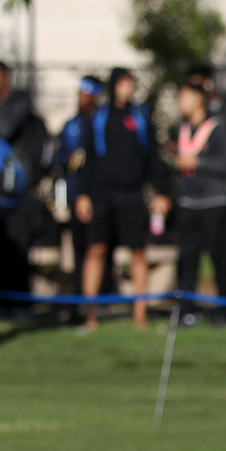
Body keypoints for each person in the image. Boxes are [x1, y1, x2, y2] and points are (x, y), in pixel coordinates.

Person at [75, 67, 170, 331]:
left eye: (131, 84)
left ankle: (140, 313)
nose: (128, 89)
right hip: (102, 196)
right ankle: (90, 315)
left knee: (138, 252)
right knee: (96, 250)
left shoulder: (141, 116)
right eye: (123, 84)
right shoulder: (98, 118)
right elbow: (88, 160)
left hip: (132, 196)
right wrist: (83, 194)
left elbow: (154, 157)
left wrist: (161, 192)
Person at [0, 61, 46, 306]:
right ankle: (2, 303)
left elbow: (5, 129)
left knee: (17, 248)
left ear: (4, 78)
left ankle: (20, 303)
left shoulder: (20, 103)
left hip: (20, 189)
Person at [172, 82, 226, 326]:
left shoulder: (218, 128)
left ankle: (224, 310)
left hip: (214, 203)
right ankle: (187, 310)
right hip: (188, 203)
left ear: (198, 99)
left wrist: (198, 162)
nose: (179, 102)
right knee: (187, 260)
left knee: (220, 259)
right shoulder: (179, 129)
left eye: (184, 97)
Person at [53, 75, 101, 300]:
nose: (82, 98)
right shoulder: (71, 125)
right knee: (79, 247)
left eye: (87, 94)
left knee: (99, 246)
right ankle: (80, 298)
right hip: (75, 192)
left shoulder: (102, 122)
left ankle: (100, 296)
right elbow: (60, 158)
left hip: (100, 193)